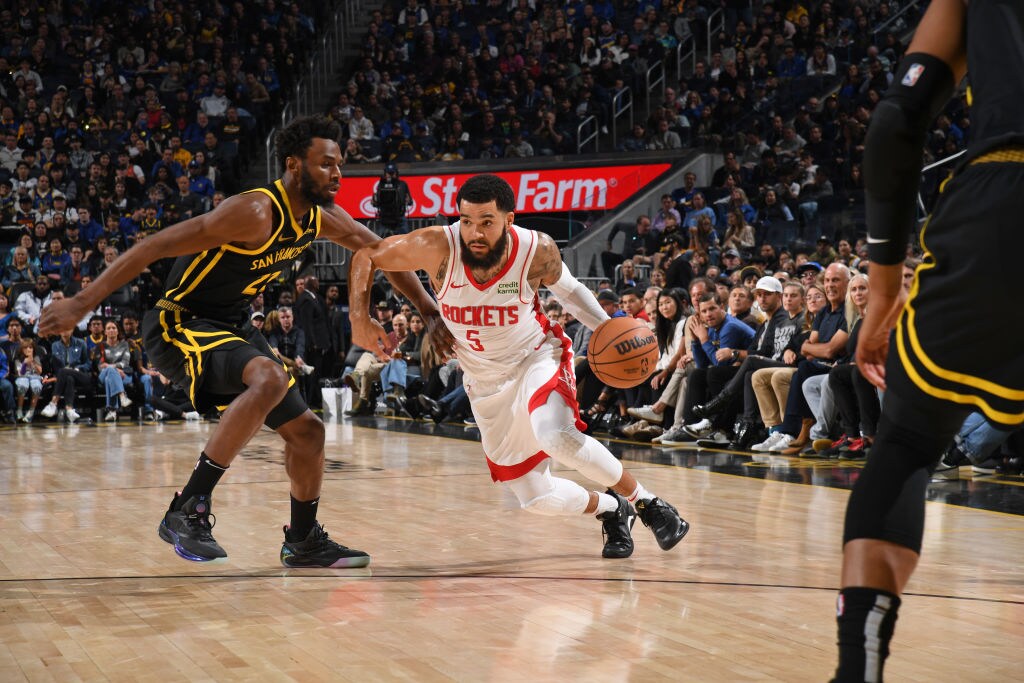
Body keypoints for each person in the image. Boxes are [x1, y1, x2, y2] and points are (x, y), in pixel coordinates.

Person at [39, 115, 450, 567]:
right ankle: (187, 508)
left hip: (232, 326)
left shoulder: (322, 219)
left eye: (340, 165)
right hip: (180, 322)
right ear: (294, 165)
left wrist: (430, 313)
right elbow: (154, 245)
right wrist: (81, 303)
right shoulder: (253, 212)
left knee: (308, 433)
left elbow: (387, 254)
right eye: (326, 164)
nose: (337, 175)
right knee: (270, 377)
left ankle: (303, 539)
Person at [348, 174, 690, 558]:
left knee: (554, 435)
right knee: (535, 497)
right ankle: (614, 509)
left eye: (486, 222)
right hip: (483, 379)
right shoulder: (437, 245)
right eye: (466, 221)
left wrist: (610, 331)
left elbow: (572, 292)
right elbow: (368, 255)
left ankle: (649, 503)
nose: (474, 232)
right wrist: (361, 317)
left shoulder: (535, 249)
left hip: (536, 357)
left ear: (509, 220)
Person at [834, 3, 1024, 680]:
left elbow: (895, 122)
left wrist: (883, 289)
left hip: (1001, 211)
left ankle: (858, 670)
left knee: (911, 440)